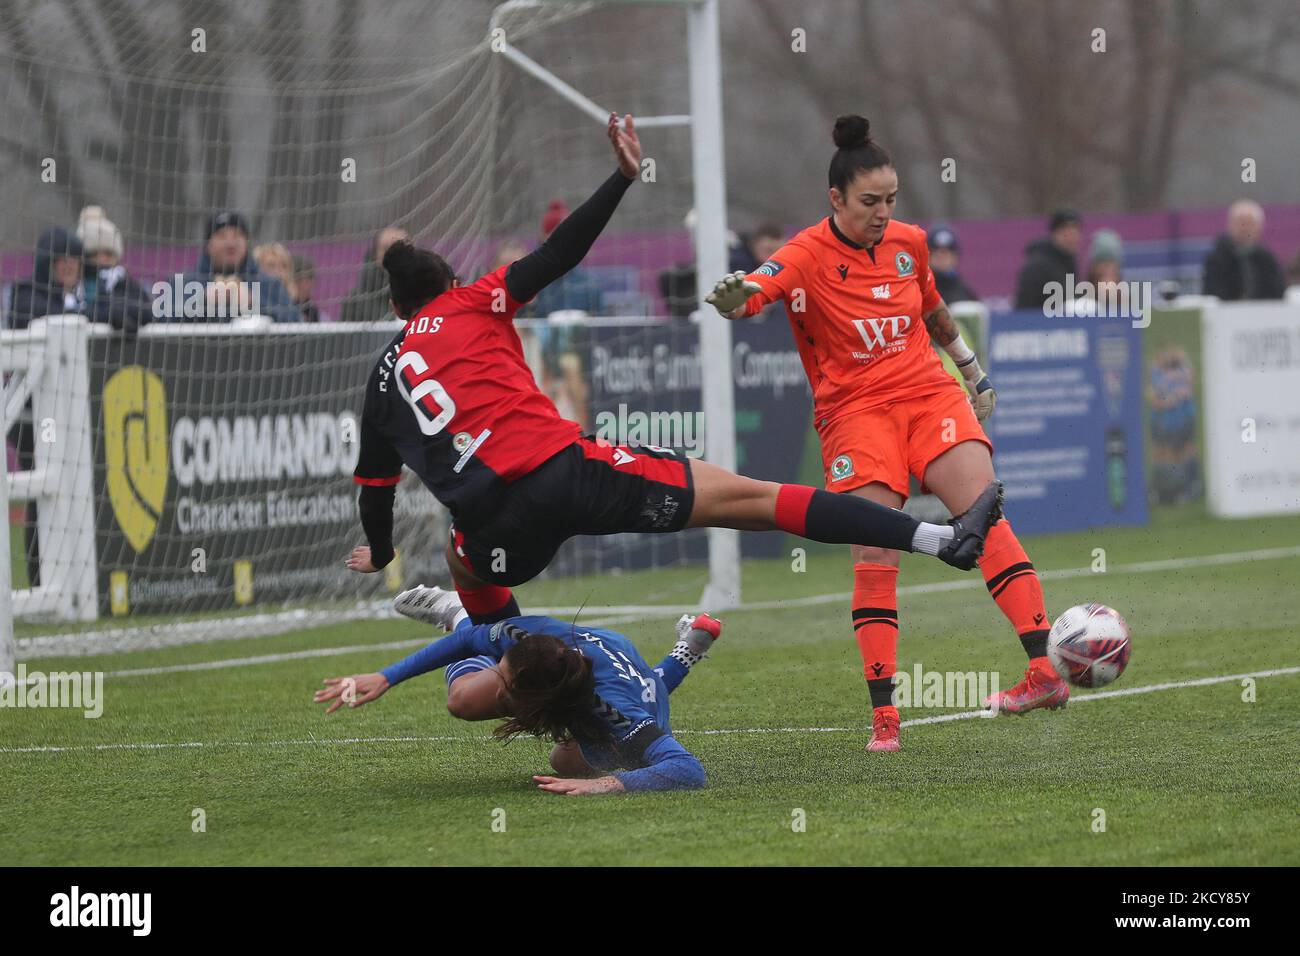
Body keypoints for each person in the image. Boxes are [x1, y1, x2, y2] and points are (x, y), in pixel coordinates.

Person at [348, 113, 1001, 644]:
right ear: (453, 285)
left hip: (493, 527)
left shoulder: (381, 379)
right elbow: (559, 253)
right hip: (568, 474)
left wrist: (379, 553)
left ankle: (502, 656)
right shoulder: (476, 300)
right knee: (753, 500)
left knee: (465, 568)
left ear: (395, 312)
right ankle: (938, 537)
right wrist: (620, 179)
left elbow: (375, 497)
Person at [706, 114, 1066, 752]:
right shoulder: (806, 254)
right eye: (869, 201)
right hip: (855, 414)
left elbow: (933, 311)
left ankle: (1042, 670)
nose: (882, 212)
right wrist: (738, 297)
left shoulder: (909, 244)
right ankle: (886, 719)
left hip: (929, 393)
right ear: (836, 199)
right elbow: (761, 288)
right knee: (875, 557)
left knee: (985, 514)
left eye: (891, 199)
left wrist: (974, 374)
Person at [315, 585, 721, 794]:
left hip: (623, 684)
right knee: (463, 701)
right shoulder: (525, 634)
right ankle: (454, 608)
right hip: (606, 654)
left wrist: (606, 784)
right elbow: (468, 641)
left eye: (506, 686)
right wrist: (387, 677)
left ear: (545, 698)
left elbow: (687, 771)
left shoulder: (612, 716)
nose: (498, 689)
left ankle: (688, 649)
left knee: (577, 762)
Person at [178, 212, 300, 323]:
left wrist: (254, 303)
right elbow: (162, 321)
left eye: (237, 236)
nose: (231, 243)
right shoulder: (184, 282)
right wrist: (202, 301)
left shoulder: (269, 284)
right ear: (208, 245)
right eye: (222, 236)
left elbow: (295, 322)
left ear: (246, 244)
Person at [75, 206, 152, 334]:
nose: (103, 259)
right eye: (95, 253)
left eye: (108, 253)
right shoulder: (71, 286)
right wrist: (108, 314)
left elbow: (146, 311)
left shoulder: (125, 283)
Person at [1200, 200, 1286, 301]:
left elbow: (1278, 291)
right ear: (1230, 225)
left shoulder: (1267, 259)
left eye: (1249, 223)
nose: (1245, 228)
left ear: (1259, 227)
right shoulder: (1217, 259)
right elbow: (1211, 293)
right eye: (1240, 223)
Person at [1014, 209, 1081, 310]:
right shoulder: (1037, 266)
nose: (1072, 237)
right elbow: (1024, 308)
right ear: (1054, 234)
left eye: (1075, 231)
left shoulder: (1069, 263)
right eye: (1066, 232)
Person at [341, 226, 409, 322]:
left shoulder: (425, 296)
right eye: (387, 249)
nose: (396, 255)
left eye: (403, 249)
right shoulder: (356, 302)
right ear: (375, 255)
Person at [927, 224, 979, 304]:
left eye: (947, 254)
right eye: (936, 253)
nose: (942, 258)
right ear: (927, 256)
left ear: (955, 257)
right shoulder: (921, 290)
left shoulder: (964, 292)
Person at [290, 253, 328, 322]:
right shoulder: (283, 308)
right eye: (300, 279)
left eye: (311, 278)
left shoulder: (314, 311)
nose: (311, 284)